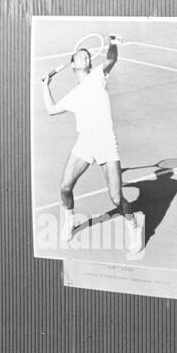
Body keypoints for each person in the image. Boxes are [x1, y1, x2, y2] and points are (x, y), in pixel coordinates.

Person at [41, 35, 143, 254]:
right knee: (64, 187)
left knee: (116, 197)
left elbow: (110, 60)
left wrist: (113, 44)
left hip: (105, 140)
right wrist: (44, 86)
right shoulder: (73, 95)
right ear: (73, 65)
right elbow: (51, 109)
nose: (86, 56)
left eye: (87, 55)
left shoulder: (98, 75)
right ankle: (69, 219)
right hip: (85, 141)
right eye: (81, 55)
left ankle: (134, 226)